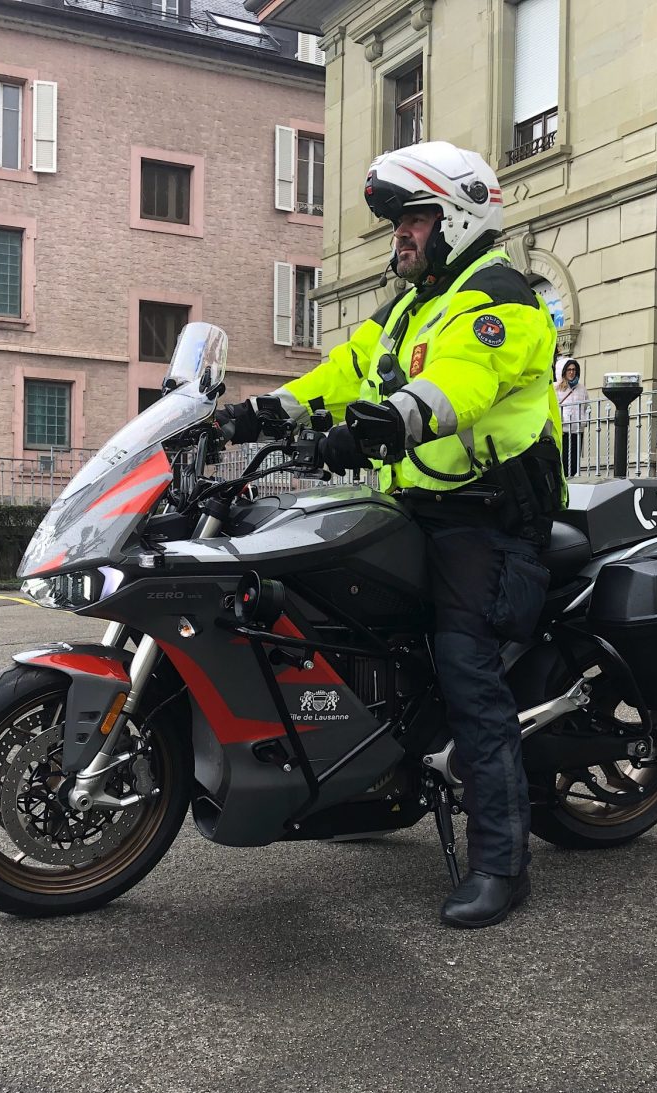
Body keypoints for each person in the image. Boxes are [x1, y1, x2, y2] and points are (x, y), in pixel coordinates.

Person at [216, 141, 561, 929]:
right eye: (398, 221)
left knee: (467, 666)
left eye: (412, 218)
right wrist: (259, 413)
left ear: (459, 218)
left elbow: (462, 385)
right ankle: (372, 779)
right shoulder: (408, 310)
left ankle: (503, 863)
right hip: (418, 508)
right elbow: (342, 372)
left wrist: (389, 421)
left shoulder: (503, 298)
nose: (399, 235)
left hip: (486, 519)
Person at [555, 355, 589, 476]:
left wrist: (583, 421)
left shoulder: (581, 388)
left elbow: (586, 406)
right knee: (563, 460)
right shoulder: (556, 388)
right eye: (569, 369)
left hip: (577, 430)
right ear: (563, 371)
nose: (571, 372)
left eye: (574, 370)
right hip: (563, 430)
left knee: (574, 461)